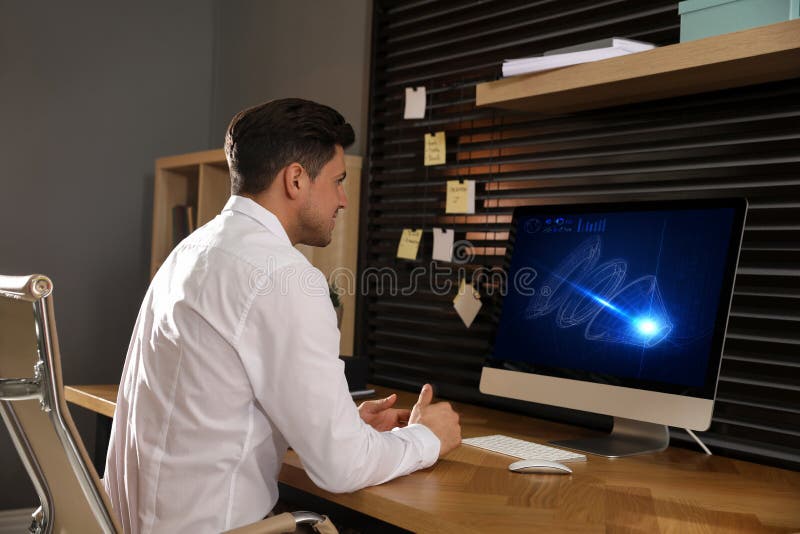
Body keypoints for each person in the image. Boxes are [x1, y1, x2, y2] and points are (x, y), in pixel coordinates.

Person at [104, 98, 461, 533]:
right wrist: (429, 437)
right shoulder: (284, 277)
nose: (344, 200)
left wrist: (338, 423)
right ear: (295, 179)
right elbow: (342, 469)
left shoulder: (190, 252)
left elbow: (216, 404)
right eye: (338, 181)